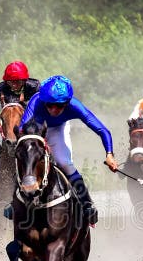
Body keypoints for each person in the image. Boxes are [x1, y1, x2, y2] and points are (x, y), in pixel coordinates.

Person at [17, 75, 120, 225]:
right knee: (26, 158)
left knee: (64, 163)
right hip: (36, 131)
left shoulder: (74, 105)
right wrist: (39, 142)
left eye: (60, 106)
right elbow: (22, 129)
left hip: (58, 129)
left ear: (67, 102)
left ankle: (87, 204)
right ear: (44, 101)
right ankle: (15, 202)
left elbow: (102, 130)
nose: (54, 110)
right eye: (50, 105)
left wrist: (109, 155)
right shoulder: (36, 100)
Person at [0, 61, 41, 177]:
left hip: (31, 121)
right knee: (3, 141)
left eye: (17, 82)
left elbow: (41, 111)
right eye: (10, 82)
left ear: (24, 80)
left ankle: (54, 163)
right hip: (8, 122)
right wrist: (1, 126)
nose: (13, 85)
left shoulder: (35, 88)